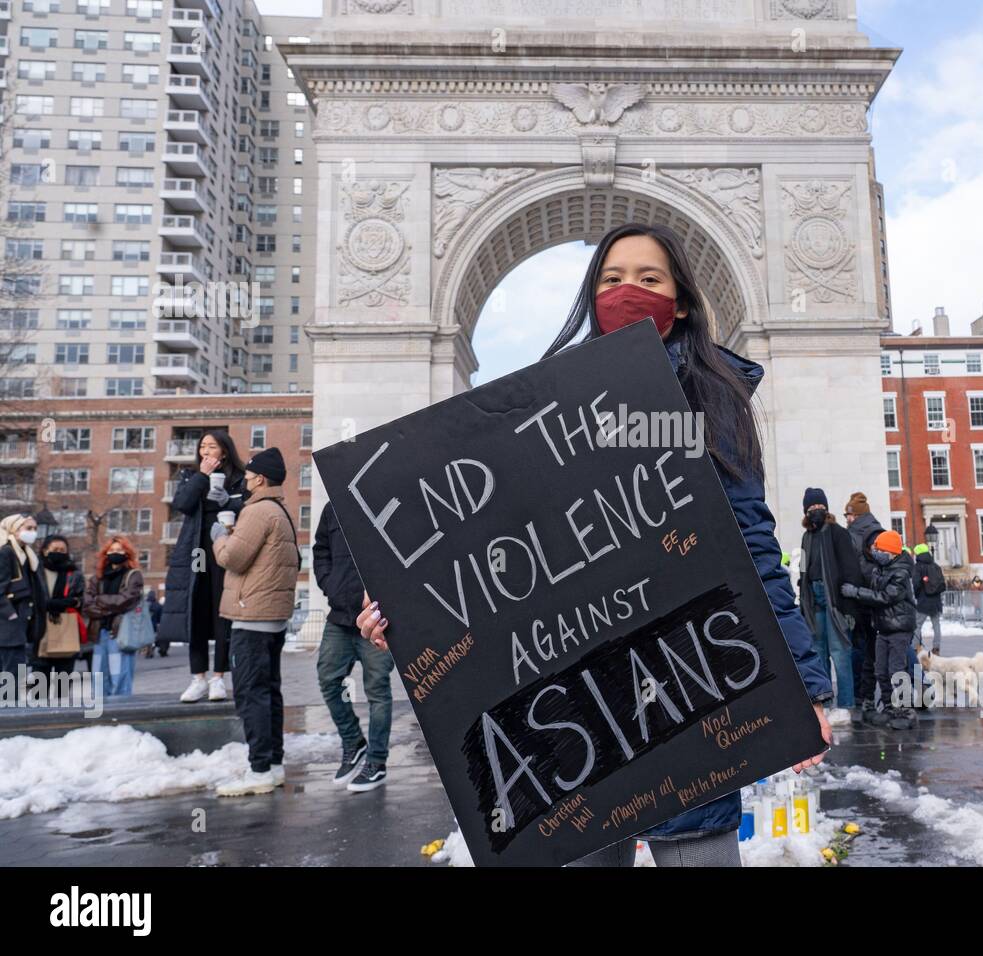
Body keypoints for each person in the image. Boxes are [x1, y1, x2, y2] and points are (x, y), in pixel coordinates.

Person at [357, 223, 833, 868]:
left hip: (688, 678)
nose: (627, 291)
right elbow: (493, 544)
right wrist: (409, 613)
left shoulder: (712, 401)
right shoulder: (539, 405)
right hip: (575, 701)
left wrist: (804, 689)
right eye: (611, 279)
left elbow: (754, 546)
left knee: (698, 851)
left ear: (682, 300)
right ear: (590, 293)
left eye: (649, 278)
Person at [211, 447, 301, 797]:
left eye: (248, 476)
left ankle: (260, 768)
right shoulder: (279, 510)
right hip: (272, 618)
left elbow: (233, 558)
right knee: (268, 694)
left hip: (251, 617)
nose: (244, 481)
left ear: (260, 478)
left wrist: (220, 537)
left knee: (250, 695)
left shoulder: (258, 511)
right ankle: (273, 764)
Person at [159, 430, 247, 703]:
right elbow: (182, 505)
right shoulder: (191, 476)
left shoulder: (239, 478)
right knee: (195, 610)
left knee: (222, 613)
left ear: (225, 450)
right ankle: (198, 678)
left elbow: (246, 508)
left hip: (224, 550)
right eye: (203, 447)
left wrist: (229, 502)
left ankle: (219, 677)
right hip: (197, 551)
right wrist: (202, 475)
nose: (206, 451)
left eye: (212, 446)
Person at [313, 500, 394, 792]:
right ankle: (353, 742)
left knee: (378, 692)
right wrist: (331, 585)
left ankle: (376, 762)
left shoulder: (385, 495)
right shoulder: (333, 506)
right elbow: (320, 550)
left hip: (377, 618)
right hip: (339, 617)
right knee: (328, 679)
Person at [798, 488, 865, 726]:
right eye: (812, 508)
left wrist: (848, 608)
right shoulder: (806, 538)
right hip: (814, 600)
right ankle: (824, 704)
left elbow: (850, 569)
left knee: (840, 653)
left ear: (826, 509)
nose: (816, 511)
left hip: (834, 600)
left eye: (819, 507)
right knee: (818, 655)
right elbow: (803, 571)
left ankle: (845, 706)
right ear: (806, 510)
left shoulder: (837, 533)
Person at [840, 530, 918, 730]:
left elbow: (884, 597)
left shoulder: (900, 572)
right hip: (883, 627)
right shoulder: (881, 569)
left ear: (890, 551)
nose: (875, 551)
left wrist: (856, 592)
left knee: (896, 671)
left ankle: (906, 711)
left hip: (899, 628)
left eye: (879, 548)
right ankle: (890, 707)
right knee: (880, 670)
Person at [83, 537, 145, 697]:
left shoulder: (134, 575)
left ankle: (121, 711)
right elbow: (87, 604)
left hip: (121, 632)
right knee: (99, 675)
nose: (114, 553)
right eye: (111, 550)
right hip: (100, 631)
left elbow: (126, 600)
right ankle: (100, 712)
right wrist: (111, 608)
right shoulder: (97, 577)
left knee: (120, 674)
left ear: (127, 553)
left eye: (119, 550)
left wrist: (100, 600)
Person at [842, 492, 883, 712]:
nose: (846, 518)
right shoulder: (875, 529)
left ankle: (862, 694)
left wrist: (855, 587)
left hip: (862, 596)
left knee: (862, 647)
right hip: (873, 596)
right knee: (879, 647)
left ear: (856, 515)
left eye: (848, 514)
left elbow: (860, 565)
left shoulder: (857, 533)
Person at [0, 514, 46, 684]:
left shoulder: (27, 555)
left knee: (15, 675)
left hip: (20, 624)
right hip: (8, 627)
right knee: (11, 677)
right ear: (14, 530)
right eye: (28, 528)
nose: (33, 532)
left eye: (35, 529)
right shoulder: (6, 553)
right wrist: (11, 614)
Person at [32, 535, 85, 682]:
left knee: (63, 686)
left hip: (66, 630)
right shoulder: (35, 571)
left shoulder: (74, 573)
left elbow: (82, 599)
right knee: (40, 687)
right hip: (40, 631)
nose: (59, 552)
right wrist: (47, 604)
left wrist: (70, 602)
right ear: (44, 550)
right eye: (55, 549)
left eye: (62, 549)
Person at [911, 542, 945, 653]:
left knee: (917, 625)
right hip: (936, 601)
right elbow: (942, 583)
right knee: (936, 625)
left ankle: (915, 648)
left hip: (923, 601)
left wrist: (917, 595)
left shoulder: (917, 567)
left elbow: (916, 584)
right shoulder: (936, 566)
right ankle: (936, 648)